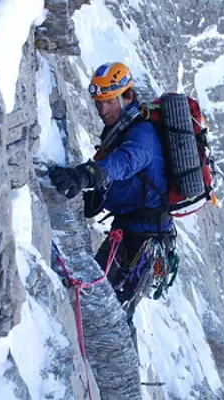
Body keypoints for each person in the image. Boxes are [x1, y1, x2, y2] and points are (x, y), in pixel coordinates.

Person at [48, 61, 176, 319]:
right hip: (128, 232)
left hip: (144, 241)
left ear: (127, 96)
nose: (101, 109)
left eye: (108, 101)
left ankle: (120, 360)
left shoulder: (141, 133)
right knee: (97, 301)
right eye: (98, 102)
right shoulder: (120, 130)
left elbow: (126, 162)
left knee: (113, 314)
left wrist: (87, 175)